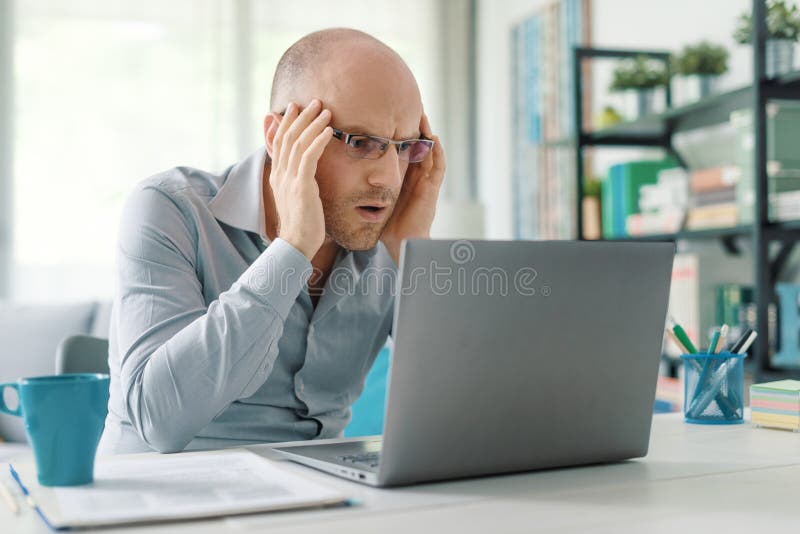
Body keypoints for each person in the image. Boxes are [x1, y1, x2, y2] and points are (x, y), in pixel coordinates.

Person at [98, 28, 446, 454]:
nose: (388, 179)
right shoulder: (169, 208)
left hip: (321, 498)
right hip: (167, 499)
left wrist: (417, 254)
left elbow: (462, 416)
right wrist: (292, 249)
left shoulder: (386, 234)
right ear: (281, 136)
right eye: (362, 143)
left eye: (404, 146)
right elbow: (159, 419)